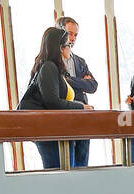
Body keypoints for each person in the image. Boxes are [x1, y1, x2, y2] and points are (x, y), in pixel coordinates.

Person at [17, 25, 93, 170]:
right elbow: (52, 101)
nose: (70, 48)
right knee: (58, 173)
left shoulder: (55, 68)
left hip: (60, 130)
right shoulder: (48, 67)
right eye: (68, 45)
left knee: (69, 172)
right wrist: (81, 106)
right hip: (49, 131)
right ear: (60, 48)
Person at [59, 16, 99, 168]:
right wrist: (82, 82)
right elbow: (56, 87)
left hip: (83, 118)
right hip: (62, 118)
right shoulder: (51, 61)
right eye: (70, 33)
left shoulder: (80, 61)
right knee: (66, 165)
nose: (73, 38)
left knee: (82, 165)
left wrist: (68, 80)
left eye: (76, 35)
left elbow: (93, 86)